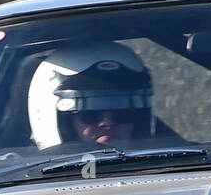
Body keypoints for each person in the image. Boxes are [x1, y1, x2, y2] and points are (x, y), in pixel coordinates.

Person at [27, 42, 156, 149]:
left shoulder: (170, 163)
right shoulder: (26, 177)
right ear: (63, 121)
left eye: (122, 113)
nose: (107, 123)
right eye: (90, 114)